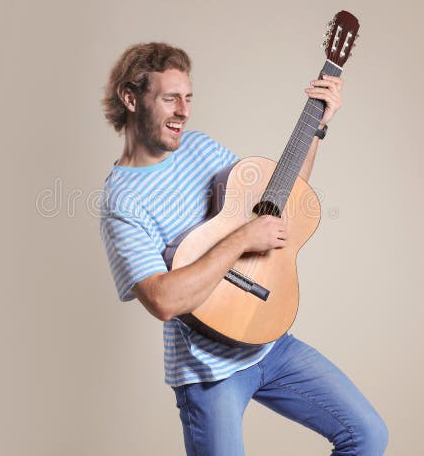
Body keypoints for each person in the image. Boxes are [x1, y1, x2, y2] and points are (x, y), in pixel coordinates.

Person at [99, 42, 388, 456]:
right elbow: (163, 300)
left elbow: (275, 198)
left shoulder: (200, 147)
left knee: (368, 435)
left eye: (188, 97)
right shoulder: (121, 200)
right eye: (169, 98)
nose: (184, 110)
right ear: (130, 98)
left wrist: (317, 127)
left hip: (271, 341)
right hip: (208, 371)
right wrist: (241, 241)